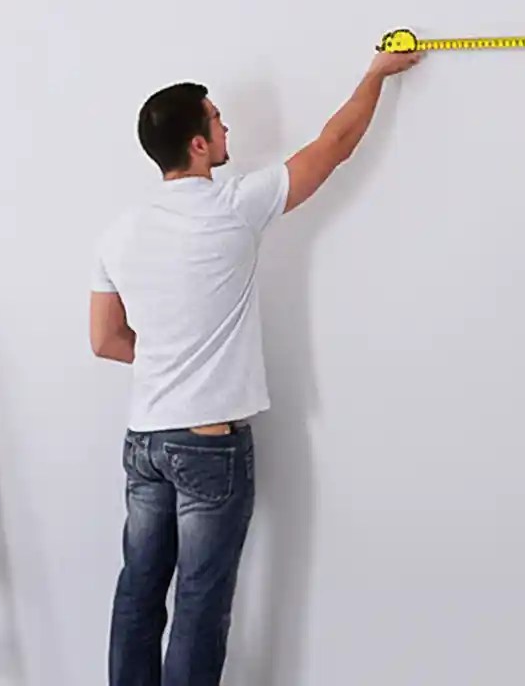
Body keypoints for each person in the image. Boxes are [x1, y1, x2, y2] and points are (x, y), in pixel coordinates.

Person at [87, 47, 423, 686]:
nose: (226, 130)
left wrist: (166, 352)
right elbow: (336, 143)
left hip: (145, 445)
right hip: (208, 446)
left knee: (137, 592)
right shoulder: (235, 204)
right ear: (197, 143)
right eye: (217, 121)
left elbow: (105, 340)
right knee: (199, 602)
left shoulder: (118, 231)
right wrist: (375, 74)